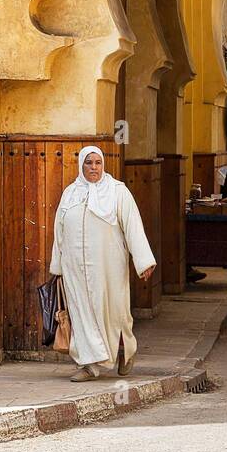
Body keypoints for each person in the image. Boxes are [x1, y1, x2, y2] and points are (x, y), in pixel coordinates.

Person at [49, 146, 156, 382]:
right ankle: (90, 365)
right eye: (89, 163)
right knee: (82, 313)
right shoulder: (70, 193)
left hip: (109, 267)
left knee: (115, 312)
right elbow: (59, 231)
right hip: (74, 268)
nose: (94, 168)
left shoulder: (118, 192)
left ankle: (126, 350)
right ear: (81, 166)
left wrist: (143, 261)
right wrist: (57, 267)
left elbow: (133, 227)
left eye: (98, 163)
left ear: (103, 165)